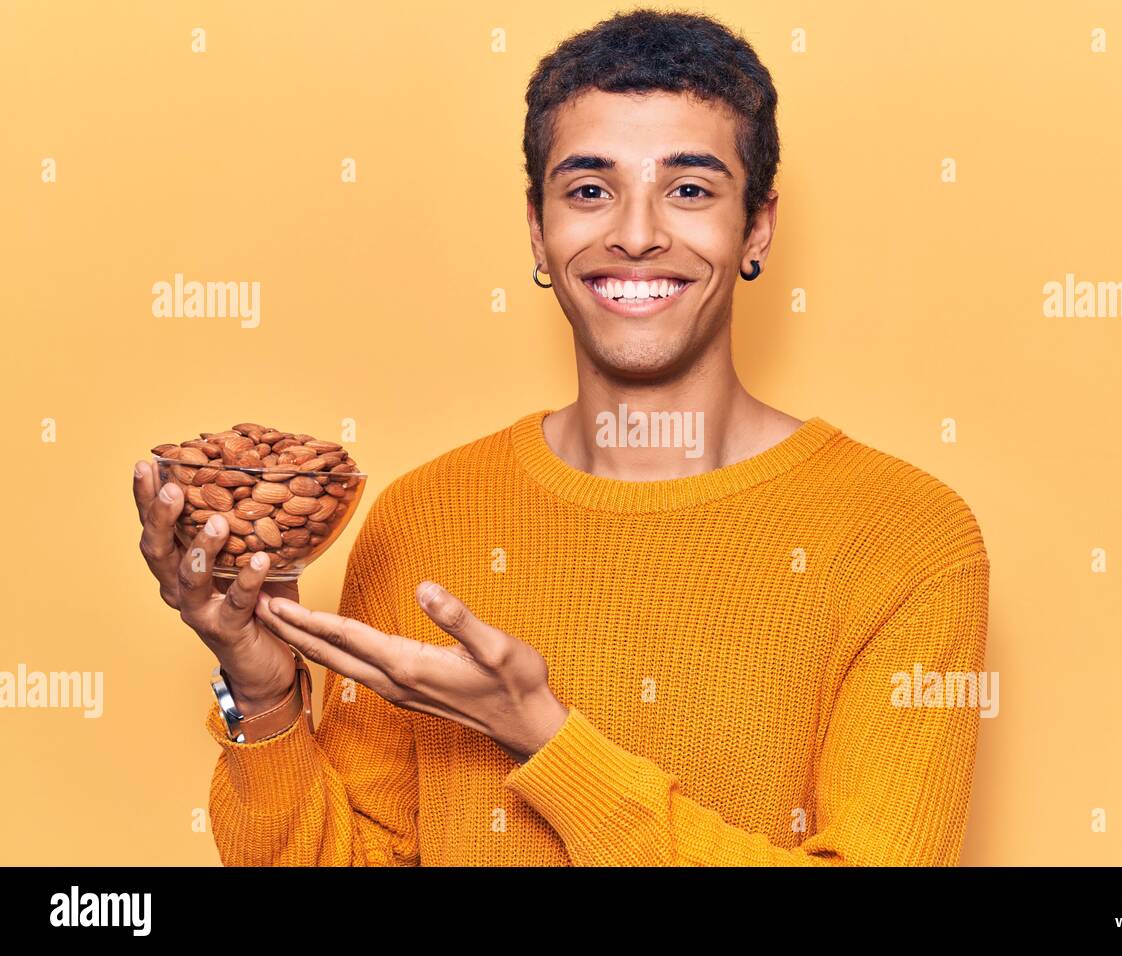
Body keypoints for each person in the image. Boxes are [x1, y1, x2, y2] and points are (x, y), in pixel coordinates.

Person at [132, 7, 991, 866]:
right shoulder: (421, 520)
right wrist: (263, 689)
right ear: (539, 229)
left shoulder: (909, 538)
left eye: (689, 189)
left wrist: (541, 736)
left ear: (756, 227)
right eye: (589, 189)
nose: (637, 232)